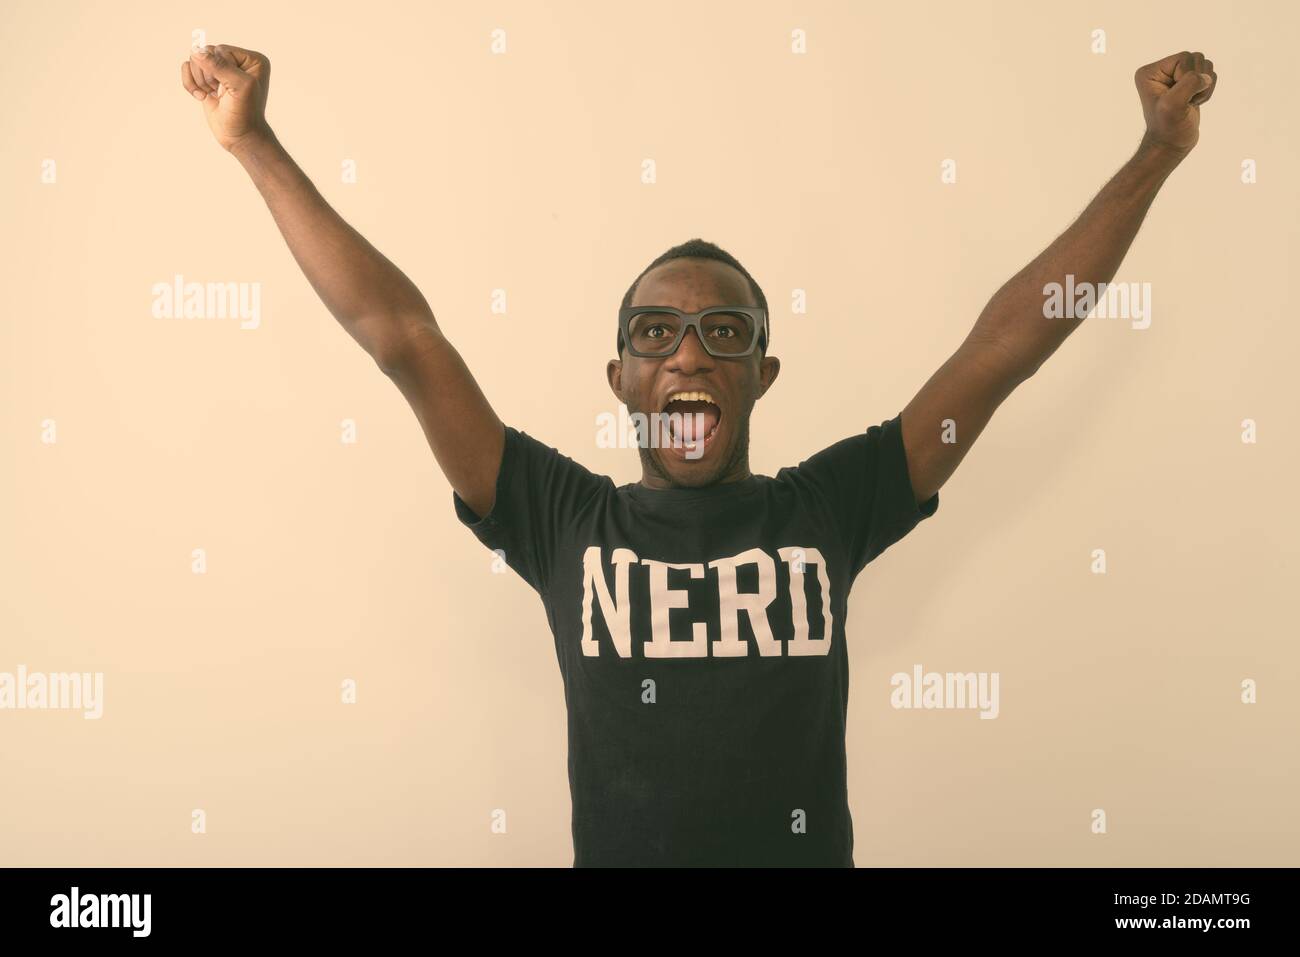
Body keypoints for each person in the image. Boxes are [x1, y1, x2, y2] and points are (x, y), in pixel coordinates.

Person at [181, 44, 1217, 866]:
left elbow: (1001, 350)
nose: (687, 351)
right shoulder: (557, 517)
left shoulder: (830, 509)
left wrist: (1156, 153)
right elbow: (402, 337)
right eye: (655, 334)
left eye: (726, 334)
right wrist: (253, 142)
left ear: (761, 376)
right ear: (620, 379)